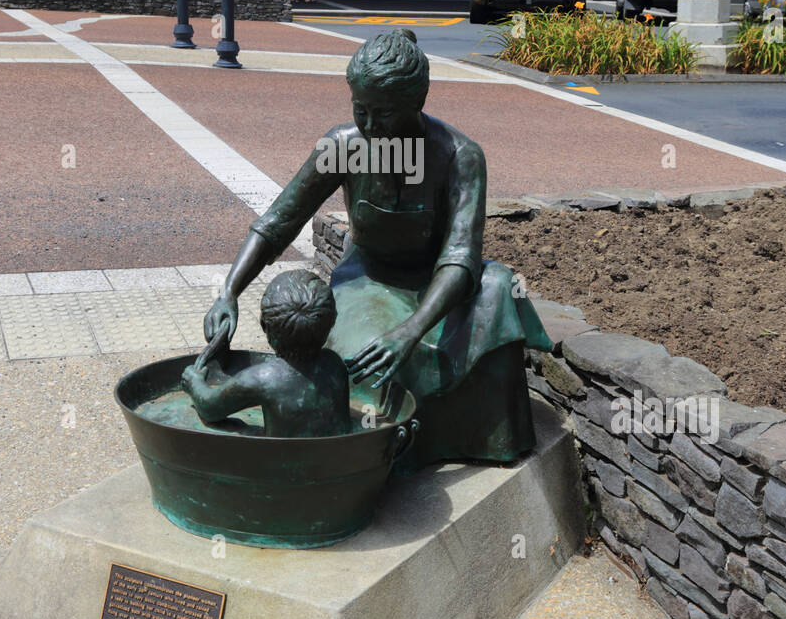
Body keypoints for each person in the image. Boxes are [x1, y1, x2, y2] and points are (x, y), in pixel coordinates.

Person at [203, 29, 551, 468]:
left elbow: (460, 256)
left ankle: (478, 440)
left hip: (440, 283)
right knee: (368, 357)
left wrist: (411, 330)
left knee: (498, 286)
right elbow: (278, 222)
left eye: (383, 114)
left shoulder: (460, 156)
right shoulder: (343, 146)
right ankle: (387, 451)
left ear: (417, 102)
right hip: (369, 278)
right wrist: (229, 291)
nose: (369, 126)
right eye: (360, 111)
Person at [182, 270, 350, 439]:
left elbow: (210, 408)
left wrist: (193, 382)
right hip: (333, 458)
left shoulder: (262, 378)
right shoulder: (335, 364)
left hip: (279, 460)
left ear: (264, 325)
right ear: (332, 321)